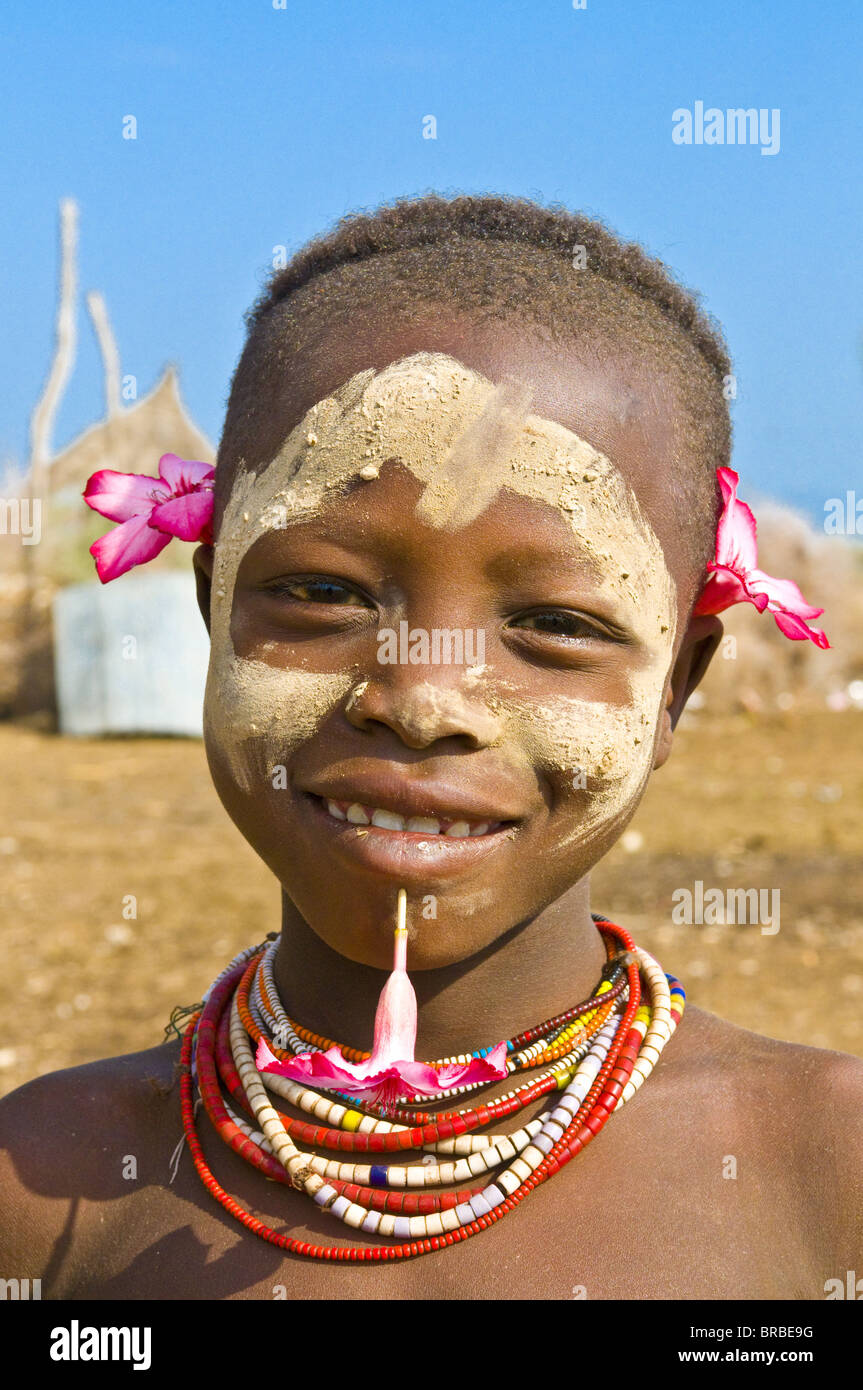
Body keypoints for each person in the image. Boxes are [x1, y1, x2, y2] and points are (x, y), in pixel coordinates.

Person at [1, 194, 859, 1301]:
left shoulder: (820, 1181)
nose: (417, 700)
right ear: (215, 609)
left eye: (552, 625)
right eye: (320, 593)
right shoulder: (46, 1188)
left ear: (673, 690)